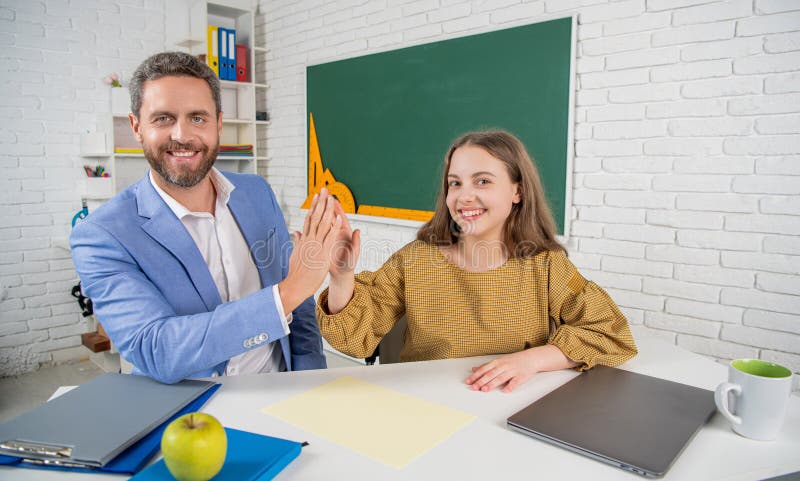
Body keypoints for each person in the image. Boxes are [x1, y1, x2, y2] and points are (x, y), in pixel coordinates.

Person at [71, 52, 341, 384]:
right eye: (164, 118)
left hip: (280, 389)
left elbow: (300, 313)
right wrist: (287, 292)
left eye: (198, 118)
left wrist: (309, 382)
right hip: (187, 414)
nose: (182, 135)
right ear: (137, 126)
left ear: (218, 123)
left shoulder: (256, 193)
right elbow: (157, 349)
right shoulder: (101, 235)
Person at [317, 130, 637, 393]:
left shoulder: (546, 264)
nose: (463, 196)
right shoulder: (414, 259)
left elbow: (609, 332)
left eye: (482, 181)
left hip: (512, 404)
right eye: (455, 183)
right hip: (427, 405)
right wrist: (342, 276)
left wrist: (533, 360)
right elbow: (354, 340)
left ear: (517, 192)